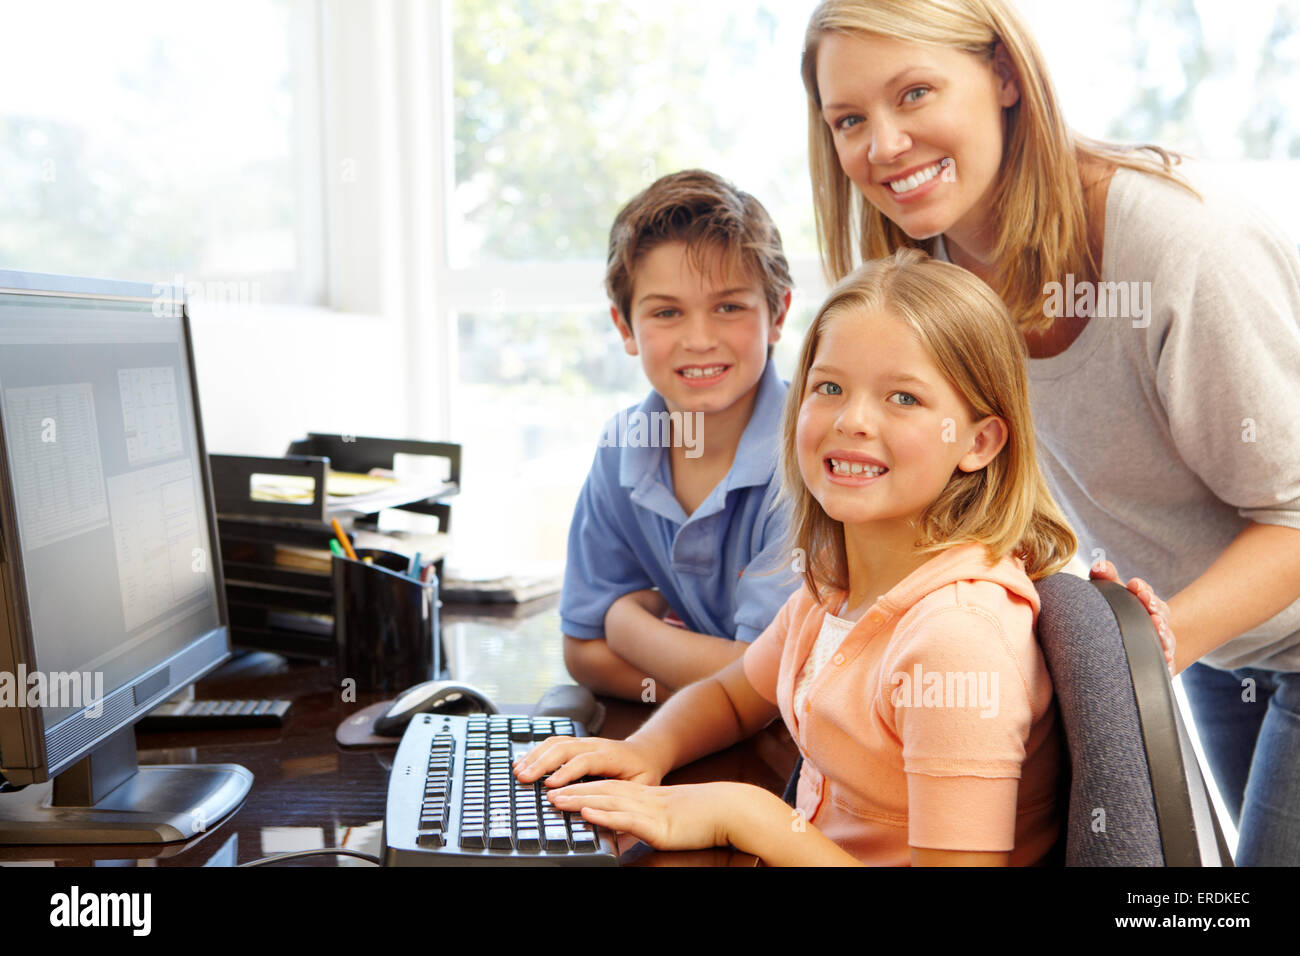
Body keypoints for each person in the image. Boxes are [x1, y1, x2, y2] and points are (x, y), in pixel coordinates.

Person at [800, 0, 1300, 865]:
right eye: (849, 119)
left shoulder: (1182, 248)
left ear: (1003, 73)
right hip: (1231, 644)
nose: (883, 145)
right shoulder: (935, 273)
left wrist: (1133, 655)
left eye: (914, 93)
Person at [518, 249, 1078, 865]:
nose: (852, 420)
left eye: (903, 398)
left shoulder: (956, 638)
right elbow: (731, 696)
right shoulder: (832, 588)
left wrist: (745, 815)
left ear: (979, 441)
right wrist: (646, 751)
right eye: (829, 388)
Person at [559, 169, 800, 702]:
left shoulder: (811, 455)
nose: (699, 339)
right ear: (625, 328)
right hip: (713, 738)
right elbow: (582, 652)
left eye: (729, 307)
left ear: (778, 313)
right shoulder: (623, 448)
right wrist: (718, 700)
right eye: (667, 312)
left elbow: (769, 680)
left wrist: (626, 626)